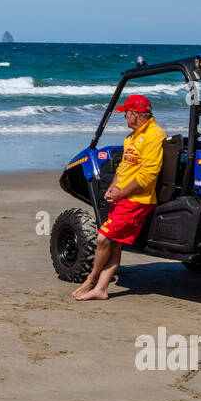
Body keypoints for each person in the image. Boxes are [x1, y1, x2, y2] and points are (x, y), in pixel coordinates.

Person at [73, 94, 165, 301]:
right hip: (124, 197)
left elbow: (149, 176)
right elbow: (124, 167)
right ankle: (102, 289)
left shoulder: (153, 135)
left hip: (138, 200)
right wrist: (113, 188)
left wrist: (122, 193)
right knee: (114, 243)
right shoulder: (131, 137)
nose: (125, 118)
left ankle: (92, 280)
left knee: (103, 237)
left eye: (126, 114)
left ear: (135, 114)